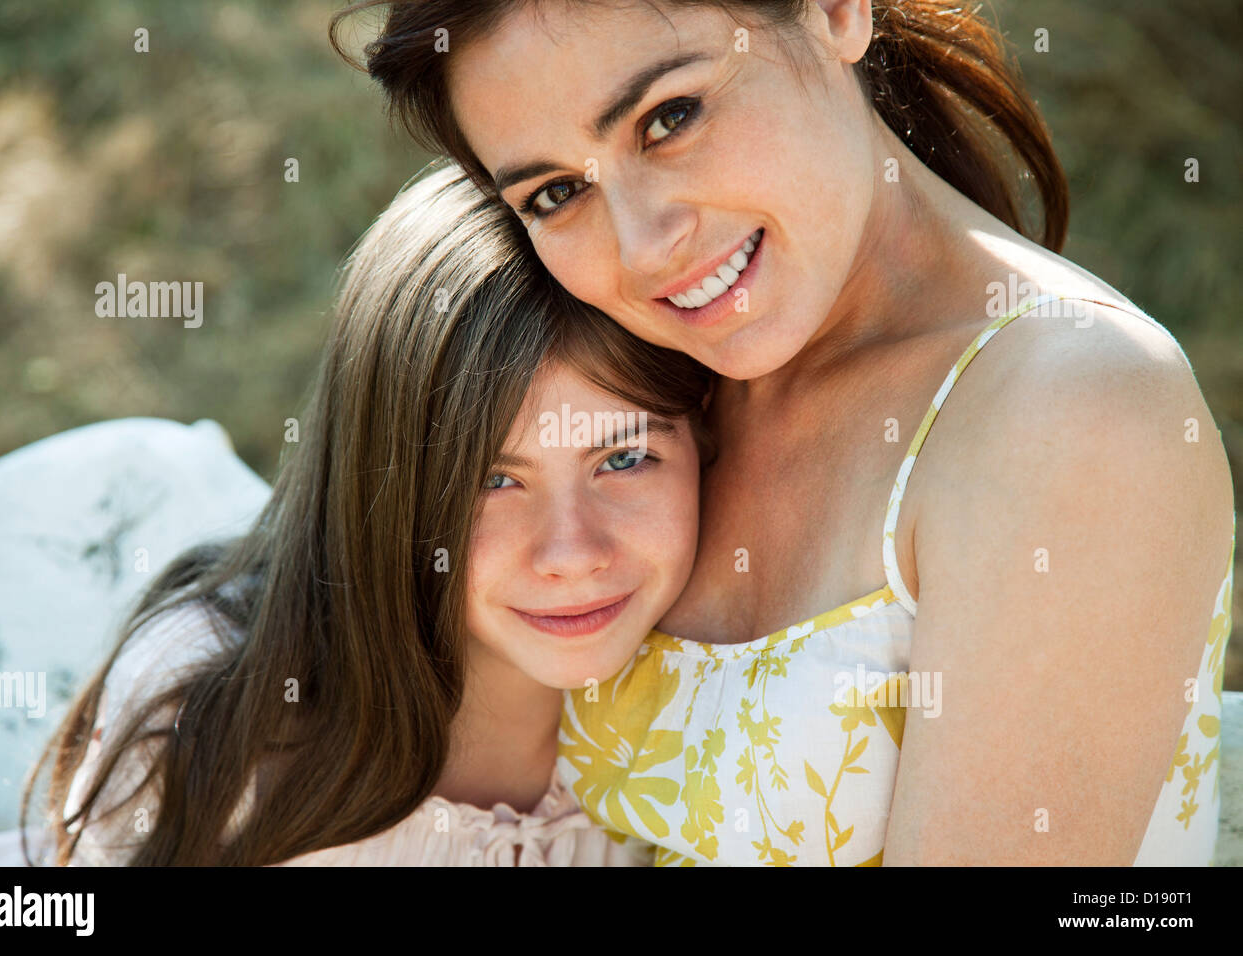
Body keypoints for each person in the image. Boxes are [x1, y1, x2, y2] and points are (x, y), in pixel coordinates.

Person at [336, 0, 1236, 864]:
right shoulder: (651, 378)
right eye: (557, 192)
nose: (645, 247)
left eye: (669, 117)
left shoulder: (1077, 407)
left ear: (838, 9)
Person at [19, 160, 713, 866]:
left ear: (706, 441)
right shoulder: (215, 716)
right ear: (381, 477)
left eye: (623, 460)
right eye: (490, 480)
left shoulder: (719, 713)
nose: (570, 552)